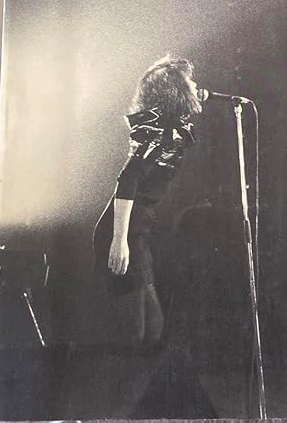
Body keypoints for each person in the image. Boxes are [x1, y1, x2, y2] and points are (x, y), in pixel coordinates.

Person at [92, 56, 202, 352]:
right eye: (189, 81)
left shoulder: (170, 129)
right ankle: (120, 379)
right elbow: (128, 180)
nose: (195, 85)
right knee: (137, 330)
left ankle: (135, 377)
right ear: (175, 89)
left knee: (153, 326)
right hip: (122, 233)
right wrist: (119, 241)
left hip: (137, 232)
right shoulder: (157, 133)